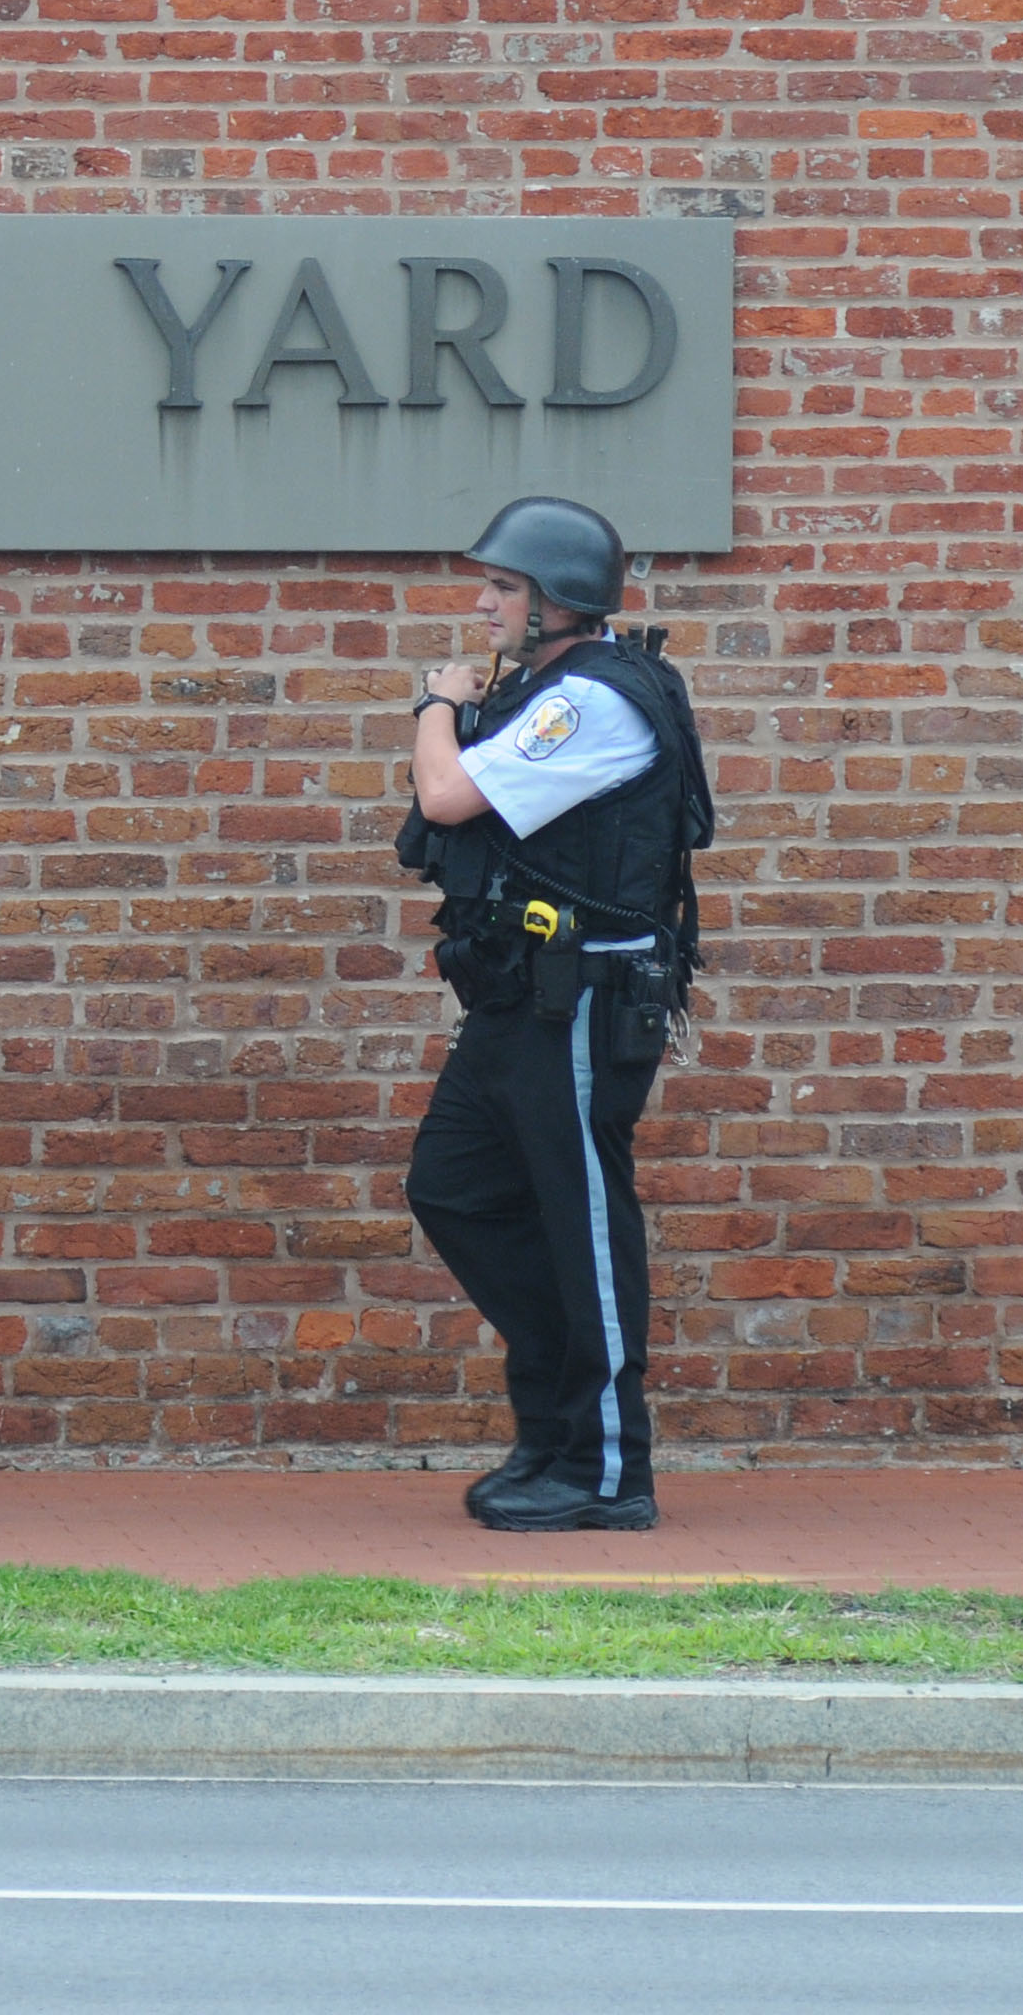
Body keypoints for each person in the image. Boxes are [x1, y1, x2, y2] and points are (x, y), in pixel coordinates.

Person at [398, 496, 711, 1534]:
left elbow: (445, 797)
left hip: (581, 1000)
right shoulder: (546, 689)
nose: (483, 604)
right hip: (516, 993)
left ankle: (608, 1469)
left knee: (583, 1222)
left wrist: (435, 704)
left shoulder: (593, 700)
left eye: (504, 587)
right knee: (452, 1186)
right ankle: (555, 1422)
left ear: (558, 600)